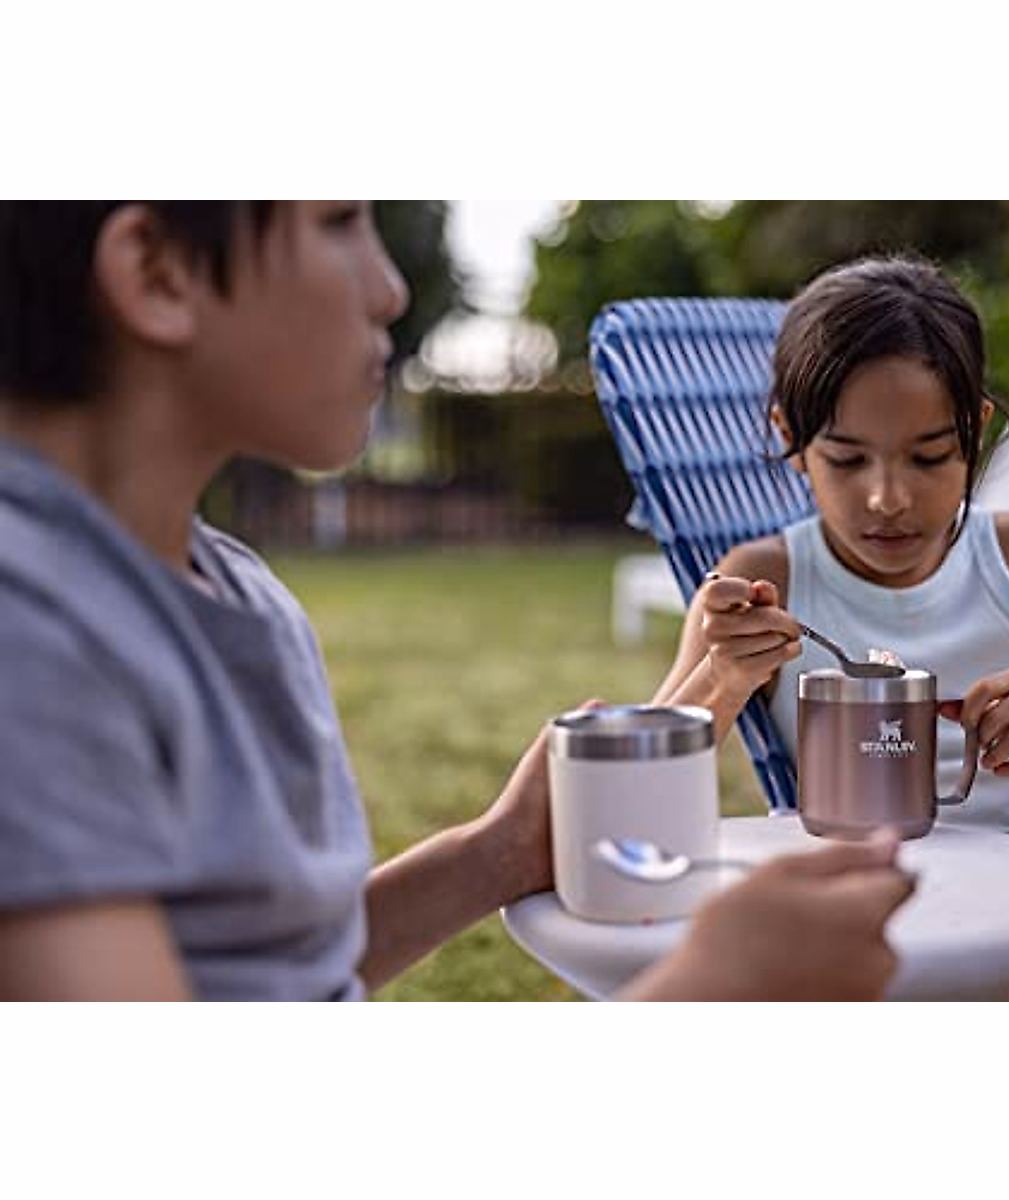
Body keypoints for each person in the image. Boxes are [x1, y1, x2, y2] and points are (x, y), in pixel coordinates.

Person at [0, 202, 914, 1001]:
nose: (390, 288)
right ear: (158, 273)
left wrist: (502, 851)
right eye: (338, 223)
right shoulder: (32, 642)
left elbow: (266, 982)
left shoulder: (232, 587)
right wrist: (719, 992)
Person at [657, 255, 1009, 849]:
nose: (888, 499)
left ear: (975, 431)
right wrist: (725, 676)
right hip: (919, 903)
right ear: (791, 439)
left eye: (929, 456)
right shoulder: (767, 583)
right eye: (847, 460)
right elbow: (644, 782)